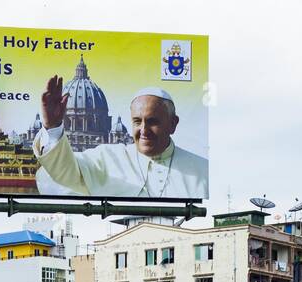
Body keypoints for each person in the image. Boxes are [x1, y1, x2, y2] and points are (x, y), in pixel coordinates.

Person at [32, 82, 208, 198]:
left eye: (153, 122)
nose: (144, 130)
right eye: (137, 121)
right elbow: (65, 173)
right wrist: (53, 127)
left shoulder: (204, 171)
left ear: (173, 124)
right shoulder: (106, 157)